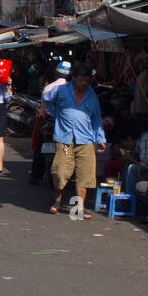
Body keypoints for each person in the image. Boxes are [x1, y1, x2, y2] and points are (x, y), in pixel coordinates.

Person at [43, 63, 106, 216]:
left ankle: (79, 207)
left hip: (86, 139)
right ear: (74, 78)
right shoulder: (61, 90)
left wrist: (101, 139)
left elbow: (97, 119)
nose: (84, 83)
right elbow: (47, 100)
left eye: (87, 80)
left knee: (84, 175)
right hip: (64, 138)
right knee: (60, 171)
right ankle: (57, 199)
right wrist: (56, 114)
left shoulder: (92, 96)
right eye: (81, 80)